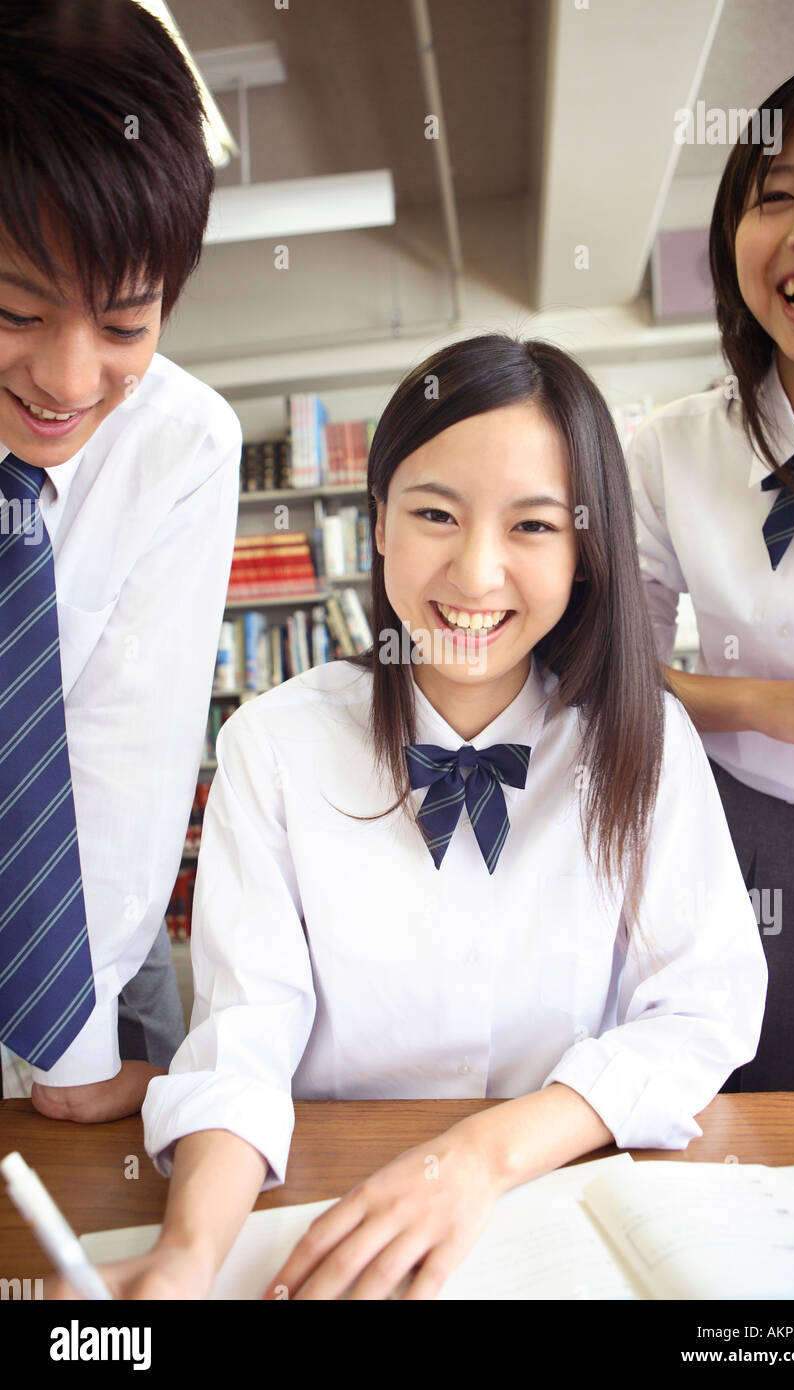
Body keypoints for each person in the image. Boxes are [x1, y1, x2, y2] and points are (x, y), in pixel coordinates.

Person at [61, 332, 766, 1303]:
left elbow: (701, 1012)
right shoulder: (273, 745)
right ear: (379, 521)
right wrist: (187, 1254)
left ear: (584, 547)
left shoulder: (644, 741)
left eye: (530, 527)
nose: (475, 576)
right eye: (436, 512)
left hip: (559, 1206)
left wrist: (477, 1156)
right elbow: (243, 1038)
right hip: (333, 1203)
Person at [0, 0, 241, 1120]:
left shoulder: (183, 444)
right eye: (13, 309)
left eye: (126, 323)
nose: (67, 377)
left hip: (90, 926)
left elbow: (122, 760)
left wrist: (73, 1056)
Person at [627, 51, 794, 1092]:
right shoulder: (666, 449)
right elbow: (601, 680)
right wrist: (766, 705)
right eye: (774, 196)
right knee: (754, 1132)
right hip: (744, 842)